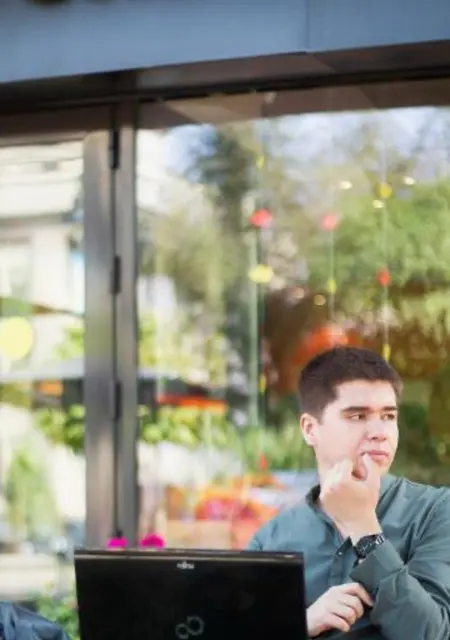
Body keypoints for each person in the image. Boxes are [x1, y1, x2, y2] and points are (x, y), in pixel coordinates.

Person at [248, 346, 450, 639]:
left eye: (388, 416)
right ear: (310, 429)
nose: (379, 432)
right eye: (357, 416)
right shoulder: (271, 540)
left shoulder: (435, 512)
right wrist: (301, 624)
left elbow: (433, 634)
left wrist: (364, 530)